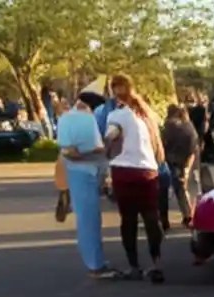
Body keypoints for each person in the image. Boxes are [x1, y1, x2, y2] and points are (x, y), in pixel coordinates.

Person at [104, 74, 167, 283]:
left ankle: (134, 266)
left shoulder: (116, 115)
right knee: (151, 217)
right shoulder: (146, 114)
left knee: (128, 220)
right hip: (148, 170)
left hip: (124, 171)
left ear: (114, 92)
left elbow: (112, 136)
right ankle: (156, 263)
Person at [57, 96, 119, 279]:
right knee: (89, 220)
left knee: (88, 219)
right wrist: (99, 150)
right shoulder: (85, 119)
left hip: (79, 172)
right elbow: (74, 151)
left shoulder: (66, 118)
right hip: (85, 172)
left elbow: (66, 150)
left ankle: (95, 261)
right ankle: (96, 266)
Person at [161, 104, 198, 227]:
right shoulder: (188, 125)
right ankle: (188, 214)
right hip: (186, 158)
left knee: (176, 188)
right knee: (183, 187)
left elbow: (164, 142)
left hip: (173, 160)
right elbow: (194, 143)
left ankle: (188, 215)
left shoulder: (169, 126)